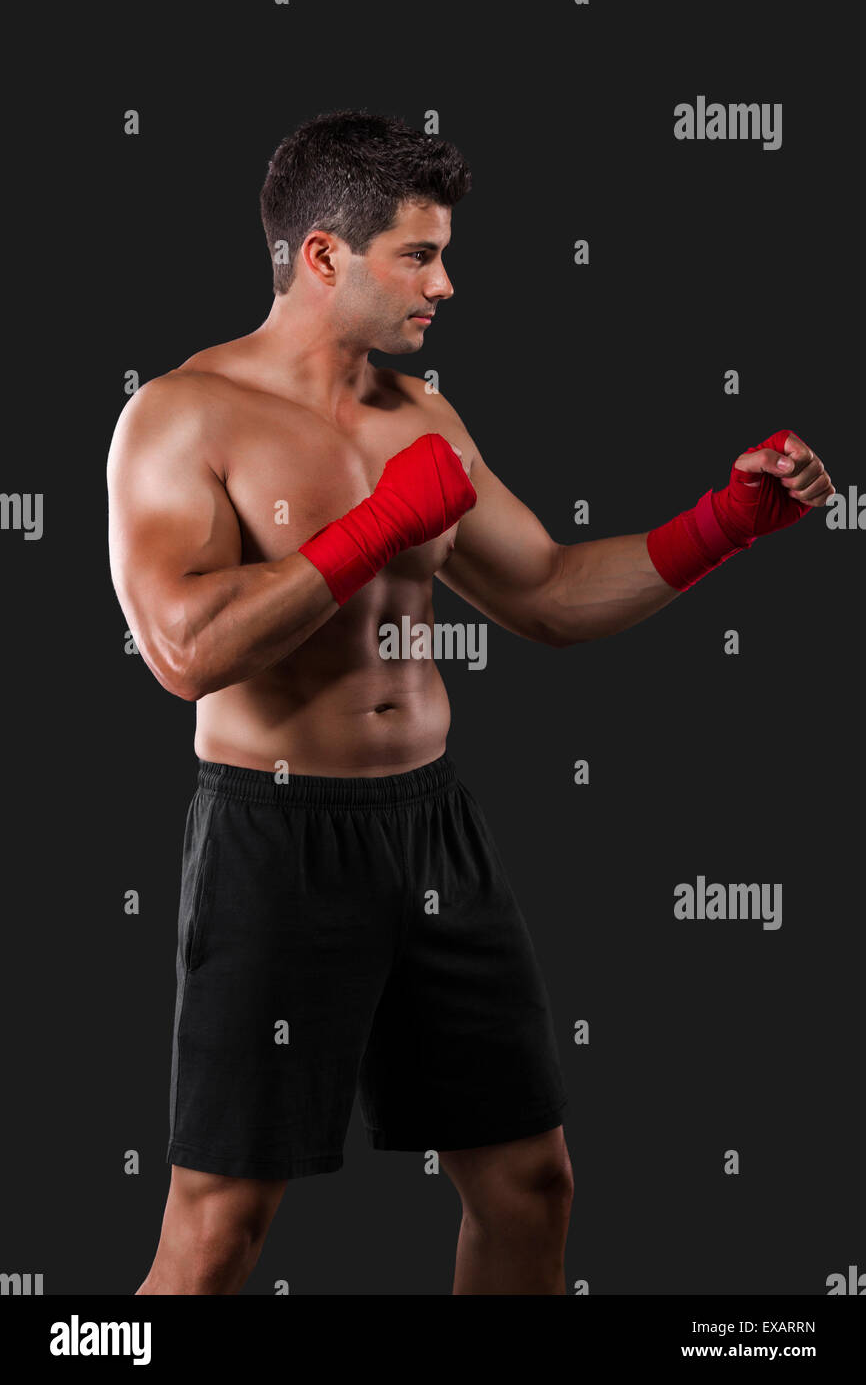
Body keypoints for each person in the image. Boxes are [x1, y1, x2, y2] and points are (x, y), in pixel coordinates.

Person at [106, 109, 834, 1296]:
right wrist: (375, 530)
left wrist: (724, 524)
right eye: (417, 254)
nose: (445, 281)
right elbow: (184, 651)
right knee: (218, 1226)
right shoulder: (185, 415)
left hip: (431, 832)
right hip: (276, 839)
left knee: (526, 1182)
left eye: (443, 253)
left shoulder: (420, 414)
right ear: (325, 256)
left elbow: (545, 593)